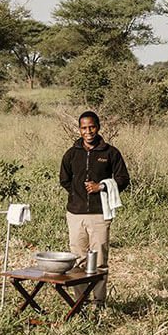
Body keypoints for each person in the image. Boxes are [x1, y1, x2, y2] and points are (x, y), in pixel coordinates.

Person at [58, 110, 130, 306]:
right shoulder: (72, 154)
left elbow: (123, 179)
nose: (88, 131)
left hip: (100, 214)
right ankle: (80, 301)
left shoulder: (110, 152)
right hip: (75, 214)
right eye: (84, 128)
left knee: (99, 262)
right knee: (78, 260)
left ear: (98, 127)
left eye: (91, 127)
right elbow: (64, 179)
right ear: (79, 129)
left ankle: (98, 302)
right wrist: (77, 195)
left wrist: (102, 187)